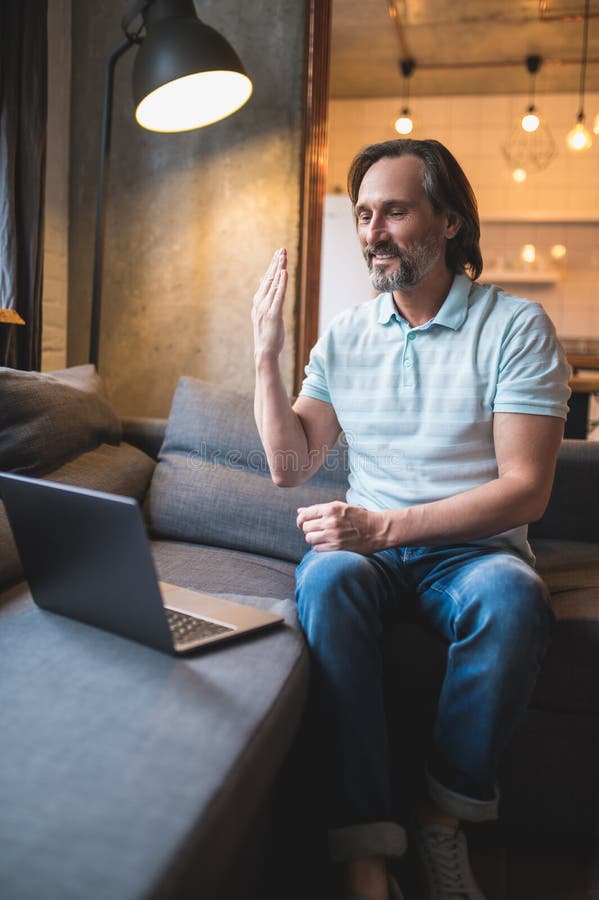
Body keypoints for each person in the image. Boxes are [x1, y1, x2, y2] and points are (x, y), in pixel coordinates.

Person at [251, 139, 571, 900]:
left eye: (394, 211)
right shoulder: (346, 335)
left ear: (449, 221)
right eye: (365, 214)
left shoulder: (515, 327)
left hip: (473, 552)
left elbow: (526, 491)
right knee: (327, 582)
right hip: (368, 557)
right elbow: (289, 464)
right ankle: (364, 854)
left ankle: (440, 817)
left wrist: (382, 529)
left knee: (512, 597)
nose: (374, 232)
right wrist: (265, 355)